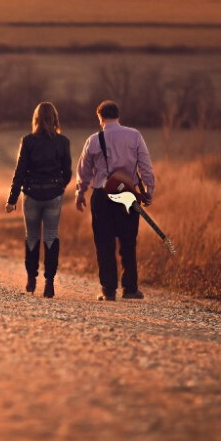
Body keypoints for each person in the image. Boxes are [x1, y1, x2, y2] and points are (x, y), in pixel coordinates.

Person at [74, 100, 156, 301]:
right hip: (128, 194)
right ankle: (130, 289)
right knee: (128, 241)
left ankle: (108, 290)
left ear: (100, 117)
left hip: (102, 195)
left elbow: (84, 170)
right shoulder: (135, 135)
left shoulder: (93, 140)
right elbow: (145, 166)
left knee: (104, 242)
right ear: (118, 116)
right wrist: (148, 191)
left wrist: (80, 192)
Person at [6, 102, 72, 298]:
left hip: (32, 194)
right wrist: (59, 187)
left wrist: (12, 198)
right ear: (55, 119)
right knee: (51, 236)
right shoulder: (63, 141)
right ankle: (49, 282)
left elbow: (19, 171)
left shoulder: (28, 141)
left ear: (35, 119)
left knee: (32, 237)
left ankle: (31, 278)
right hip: (53, 194)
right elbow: (67, 172)